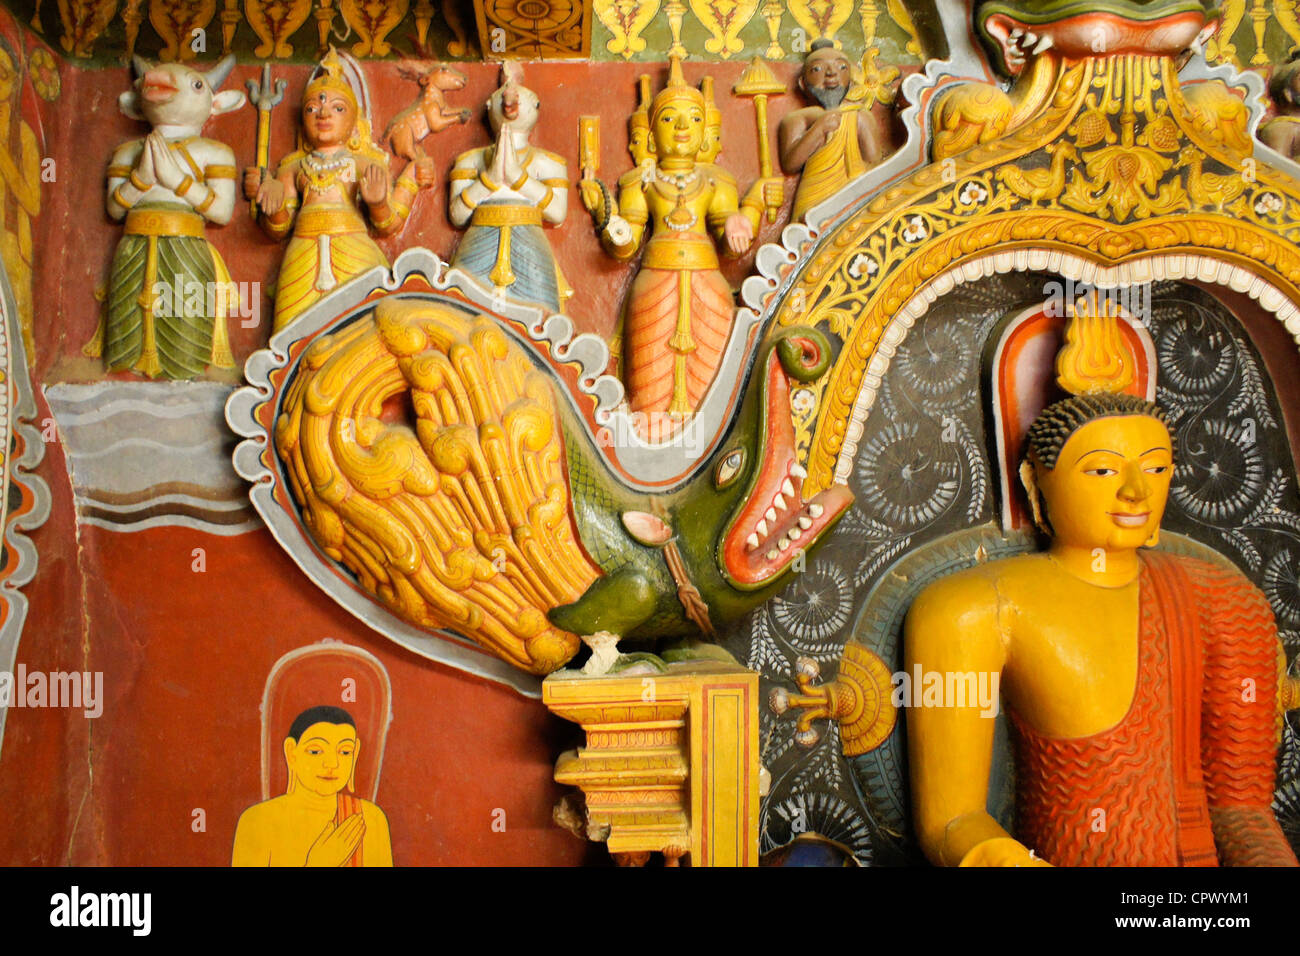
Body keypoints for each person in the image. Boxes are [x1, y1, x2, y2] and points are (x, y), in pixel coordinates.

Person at [906, 391, 1298, 867]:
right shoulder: (967, 608)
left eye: (1155, 469)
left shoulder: (1223, 599)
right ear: (1035, 483)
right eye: (1102, 470)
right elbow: (951, 820)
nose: (1137, 491)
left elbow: (1242, 810)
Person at [579, 57, 781, 431]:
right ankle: (651, 451)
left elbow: (732, 247)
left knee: (713, 378)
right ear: (653, 135)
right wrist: (605, 215)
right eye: (671, 118)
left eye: (694, 118)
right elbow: (625, 246)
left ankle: (709, 445)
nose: (683, 126)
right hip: (655, 285)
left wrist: (746, 211)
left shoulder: (716, 181)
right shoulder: (641, 181)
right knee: (651, 381)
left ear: (706, 132)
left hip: (708, 286)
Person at [244, 49, 431, 333]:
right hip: (303, 255)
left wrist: (379, 203)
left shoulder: (364, 163)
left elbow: (388, 224)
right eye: (312, 109)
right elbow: (279, 229)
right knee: (290, 334)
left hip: (354, 252)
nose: (323, 114)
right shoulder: (293, 168)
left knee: (366, 333)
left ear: (353, 120)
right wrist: (275, 207)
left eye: (338, 108)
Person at [447, 63, 569, 312]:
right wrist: (490, 179)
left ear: (536, 107)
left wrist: (517, 178)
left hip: (529, 244)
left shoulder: (549, 163)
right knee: (462, 313)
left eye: (518, 96)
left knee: (540, 319)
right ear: (489, 107)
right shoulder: (470, 160)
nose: (510, 99)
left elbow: (557, 213)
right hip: (479, 240)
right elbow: (458, 216)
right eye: (502, 96)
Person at [232, 705, 393, 866]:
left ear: (355, 753)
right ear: (291, 752)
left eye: (344, 752)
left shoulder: (370, 818)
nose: (332, 763)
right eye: (315, 751)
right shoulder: (258, 821)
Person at [778, 40, 883, 222]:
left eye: (841, 67)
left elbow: (874, 165)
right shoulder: (797, 119)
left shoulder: (859, 117)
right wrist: (819, 129)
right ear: (803, 83)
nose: (831, 74)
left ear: (850, 80)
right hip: (812, 202)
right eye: (817, 69)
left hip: (852, 200)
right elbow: (790, 163)